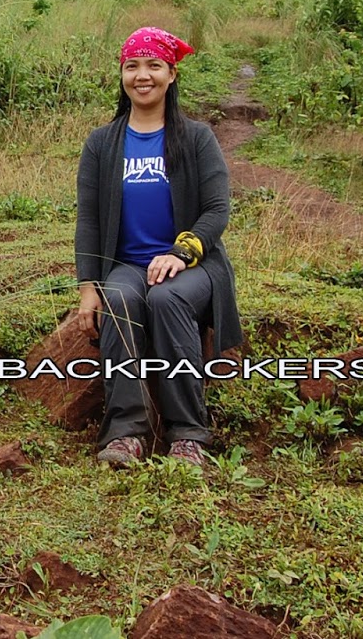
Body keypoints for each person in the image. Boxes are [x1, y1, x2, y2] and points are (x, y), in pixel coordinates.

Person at [74, 26, 242, 468]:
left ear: (171, 75)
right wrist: (88, 288)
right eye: (133, 66)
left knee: (167, 299)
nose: (142, 75)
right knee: (123, 299)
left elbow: (216, 211)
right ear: (122, 75)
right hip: (126, 264)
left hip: (192, 267)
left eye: (153, 66)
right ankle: (127, 433)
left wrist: (180, 253)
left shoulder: (197, 138)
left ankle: (188, 435)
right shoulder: (101, 144)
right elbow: (89, 220)